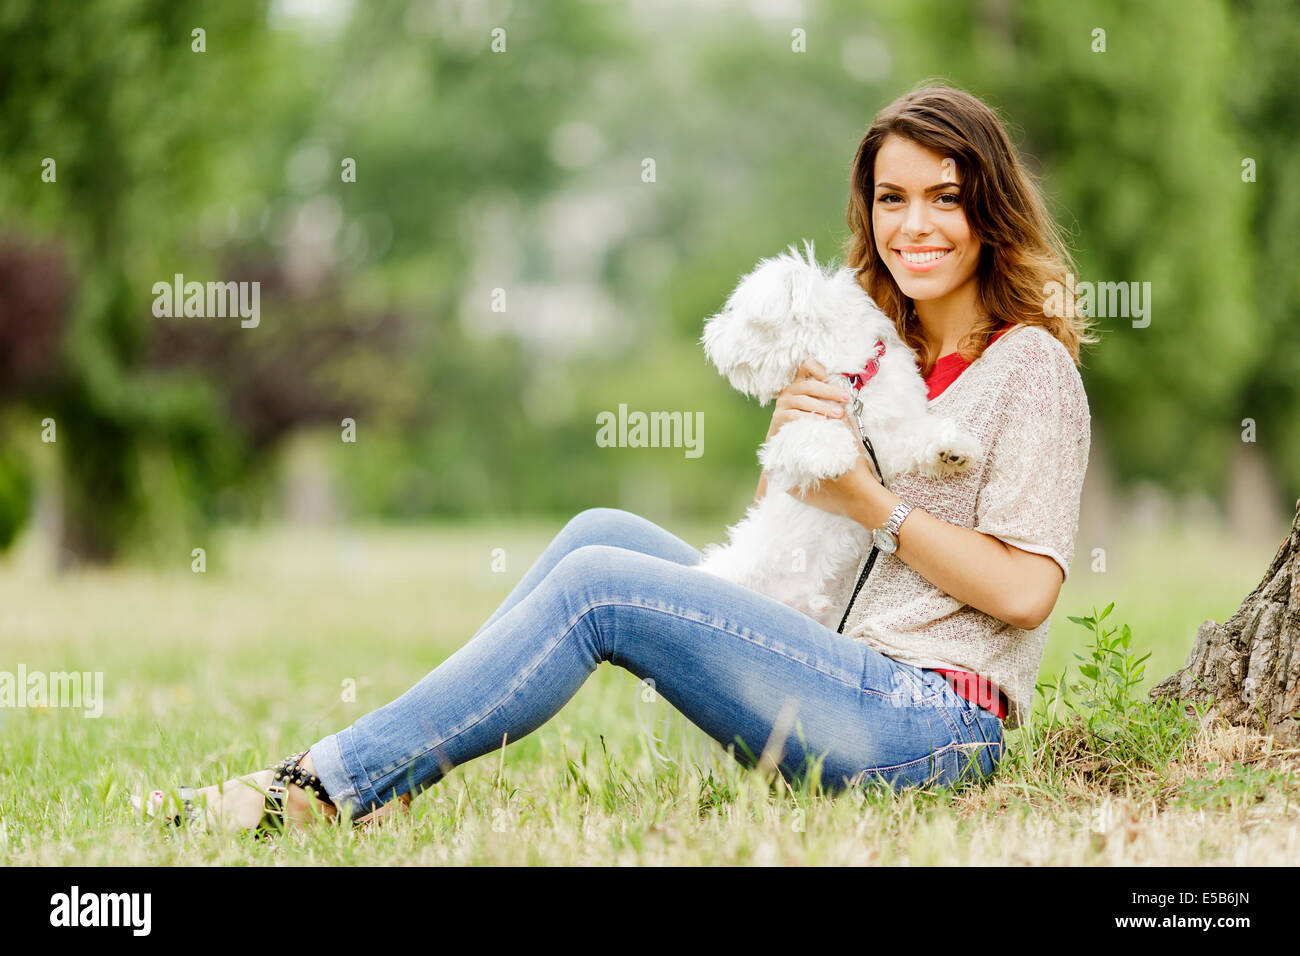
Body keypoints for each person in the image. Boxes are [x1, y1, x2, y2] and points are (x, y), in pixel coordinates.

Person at [137, 83, 1094, 832]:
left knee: (600, 585)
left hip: (930, 723)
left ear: (988, 211)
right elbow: (788, 530)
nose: (913, 226)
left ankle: (324, 787)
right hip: (833, 667)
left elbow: (1024, 594)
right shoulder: (874, 347)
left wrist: (868, 499)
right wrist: (798, 454)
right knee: (600, 532)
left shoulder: (1030, 368)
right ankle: (375, 767)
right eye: (892, 198)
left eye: (945, 198)